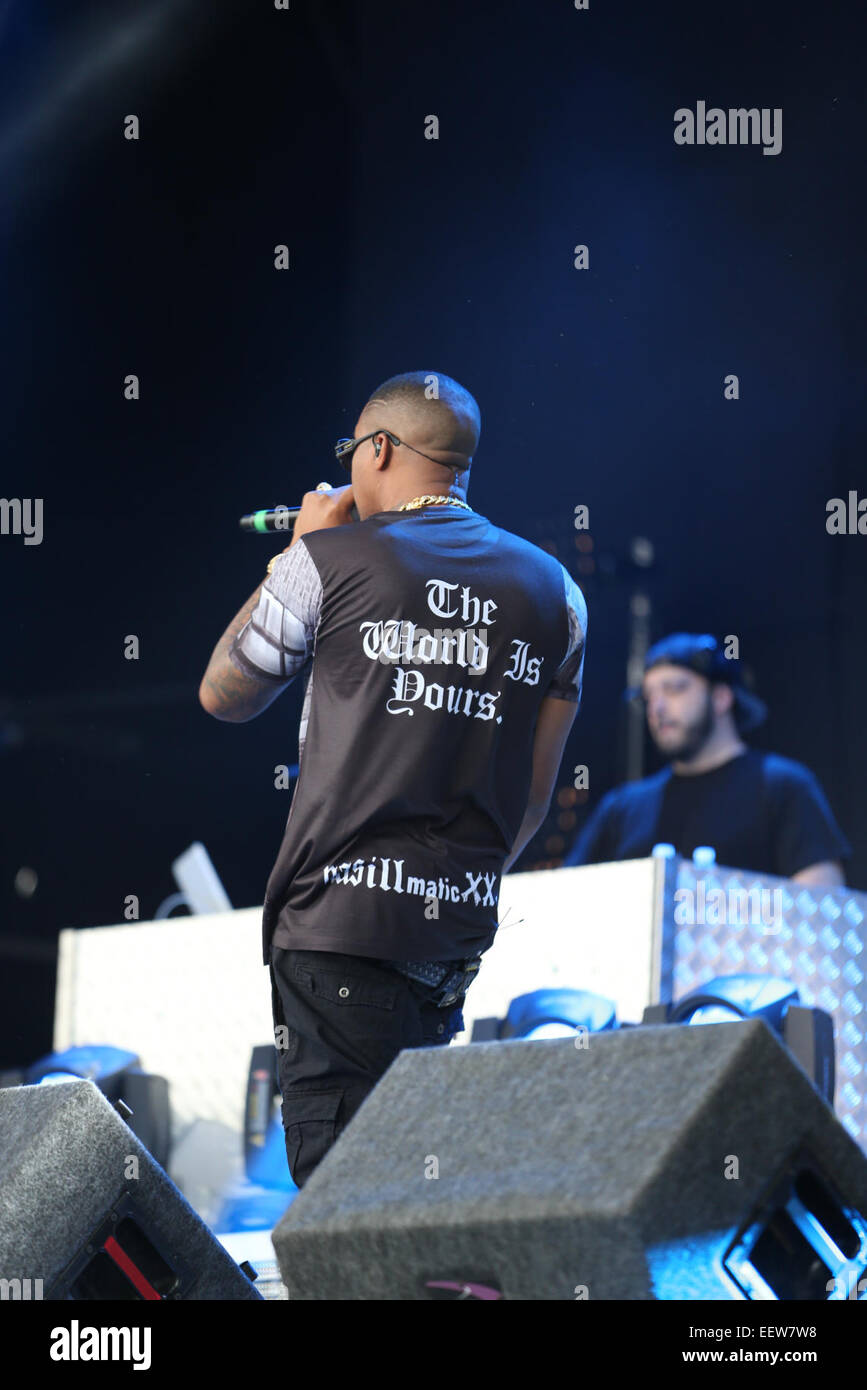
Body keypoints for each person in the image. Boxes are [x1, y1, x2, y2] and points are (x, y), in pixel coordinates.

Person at [199, 371, 588, 1188]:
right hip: (452, 934)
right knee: (407, 1186)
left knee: (344, 1203)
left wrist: (294, 552)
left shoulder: (328, 561)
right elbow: (534, 795)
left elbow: (223, 694)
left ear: (375, 449)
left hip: (338, 923)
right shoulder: (559, 593)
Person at [563, 632, 850, 886]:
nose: (658, 707)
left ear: (721, 698)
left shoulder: (782, 786)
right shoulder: (622, 808)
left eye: (675, 688)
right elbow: (563, 898)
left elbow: (820, 906)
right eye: (650, 696)